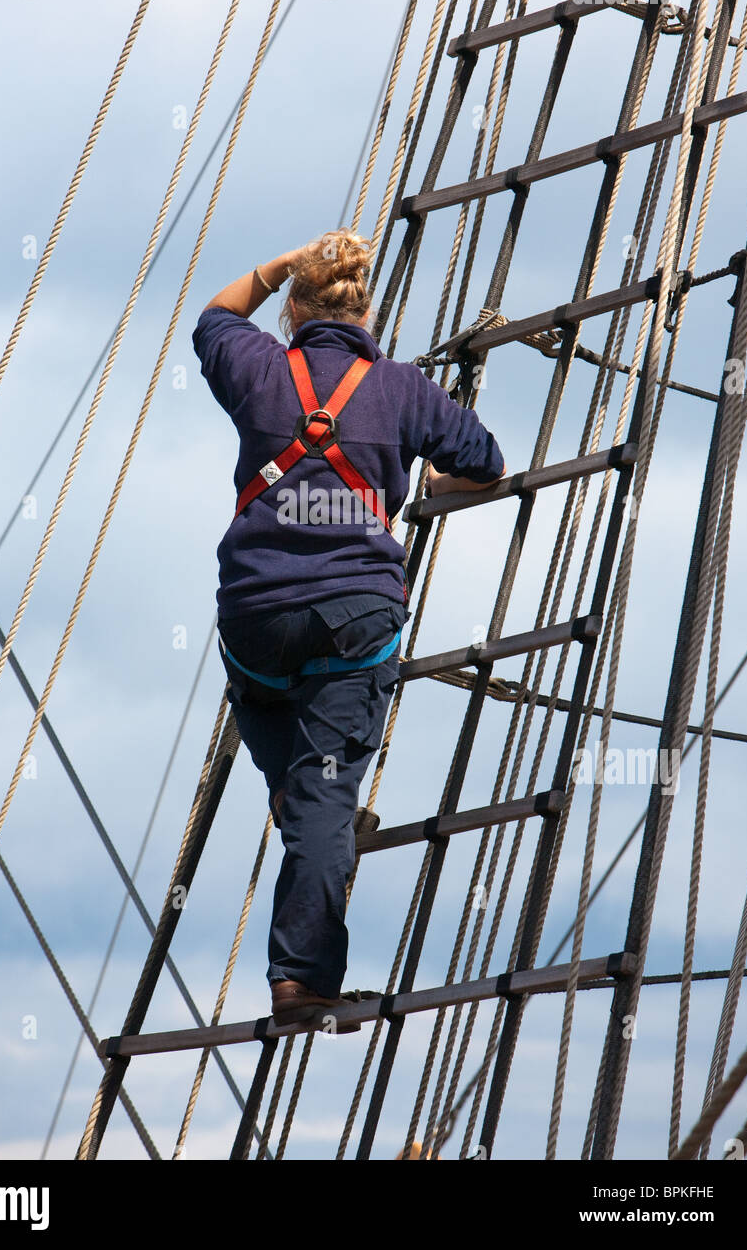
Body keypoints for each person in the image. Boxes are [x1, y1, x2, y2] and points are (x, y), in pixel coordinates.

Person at [193, 230, 506, 1028]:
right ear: (370, 311)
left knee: (282, 739)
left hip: (255, 618)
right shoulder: (402, 388)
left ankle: (308, 813)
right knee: (326, 795)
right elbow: (487, 462)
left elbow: (215, 316)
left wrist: (272, 263)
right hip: (354, 618)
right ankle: (300, 978)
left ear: (294, 312)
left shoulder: (260, 369)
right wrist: (434, 478)